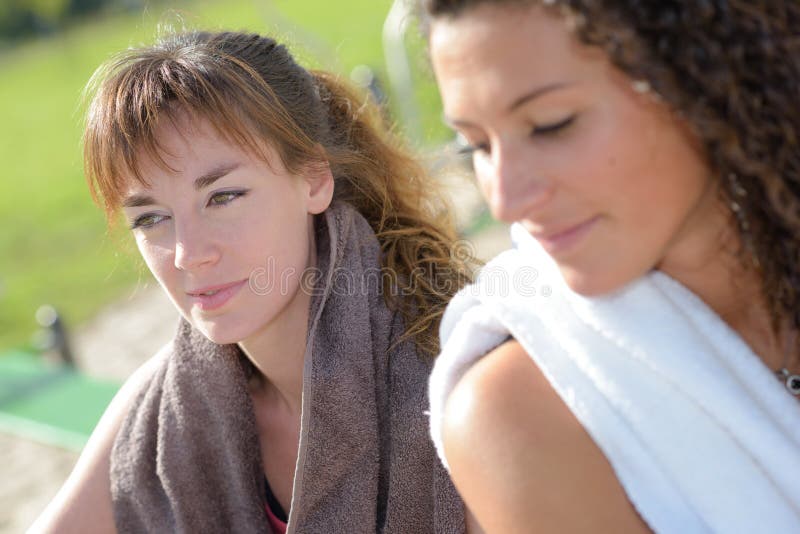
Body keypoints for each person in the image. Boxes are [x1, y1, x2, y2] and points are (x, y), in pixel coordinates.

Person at [31, 30, 474, 533]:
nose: (188, 254)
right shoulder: (159, 414)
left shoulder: (458, 387)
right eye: (150, 218)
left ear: (313, 179)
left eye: (223, 197)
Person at [421, 1, 800, 533]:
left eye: (551, 125)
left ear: (697, 76)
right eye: (476, 146)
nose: (506, 201)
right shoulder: (521, 416)